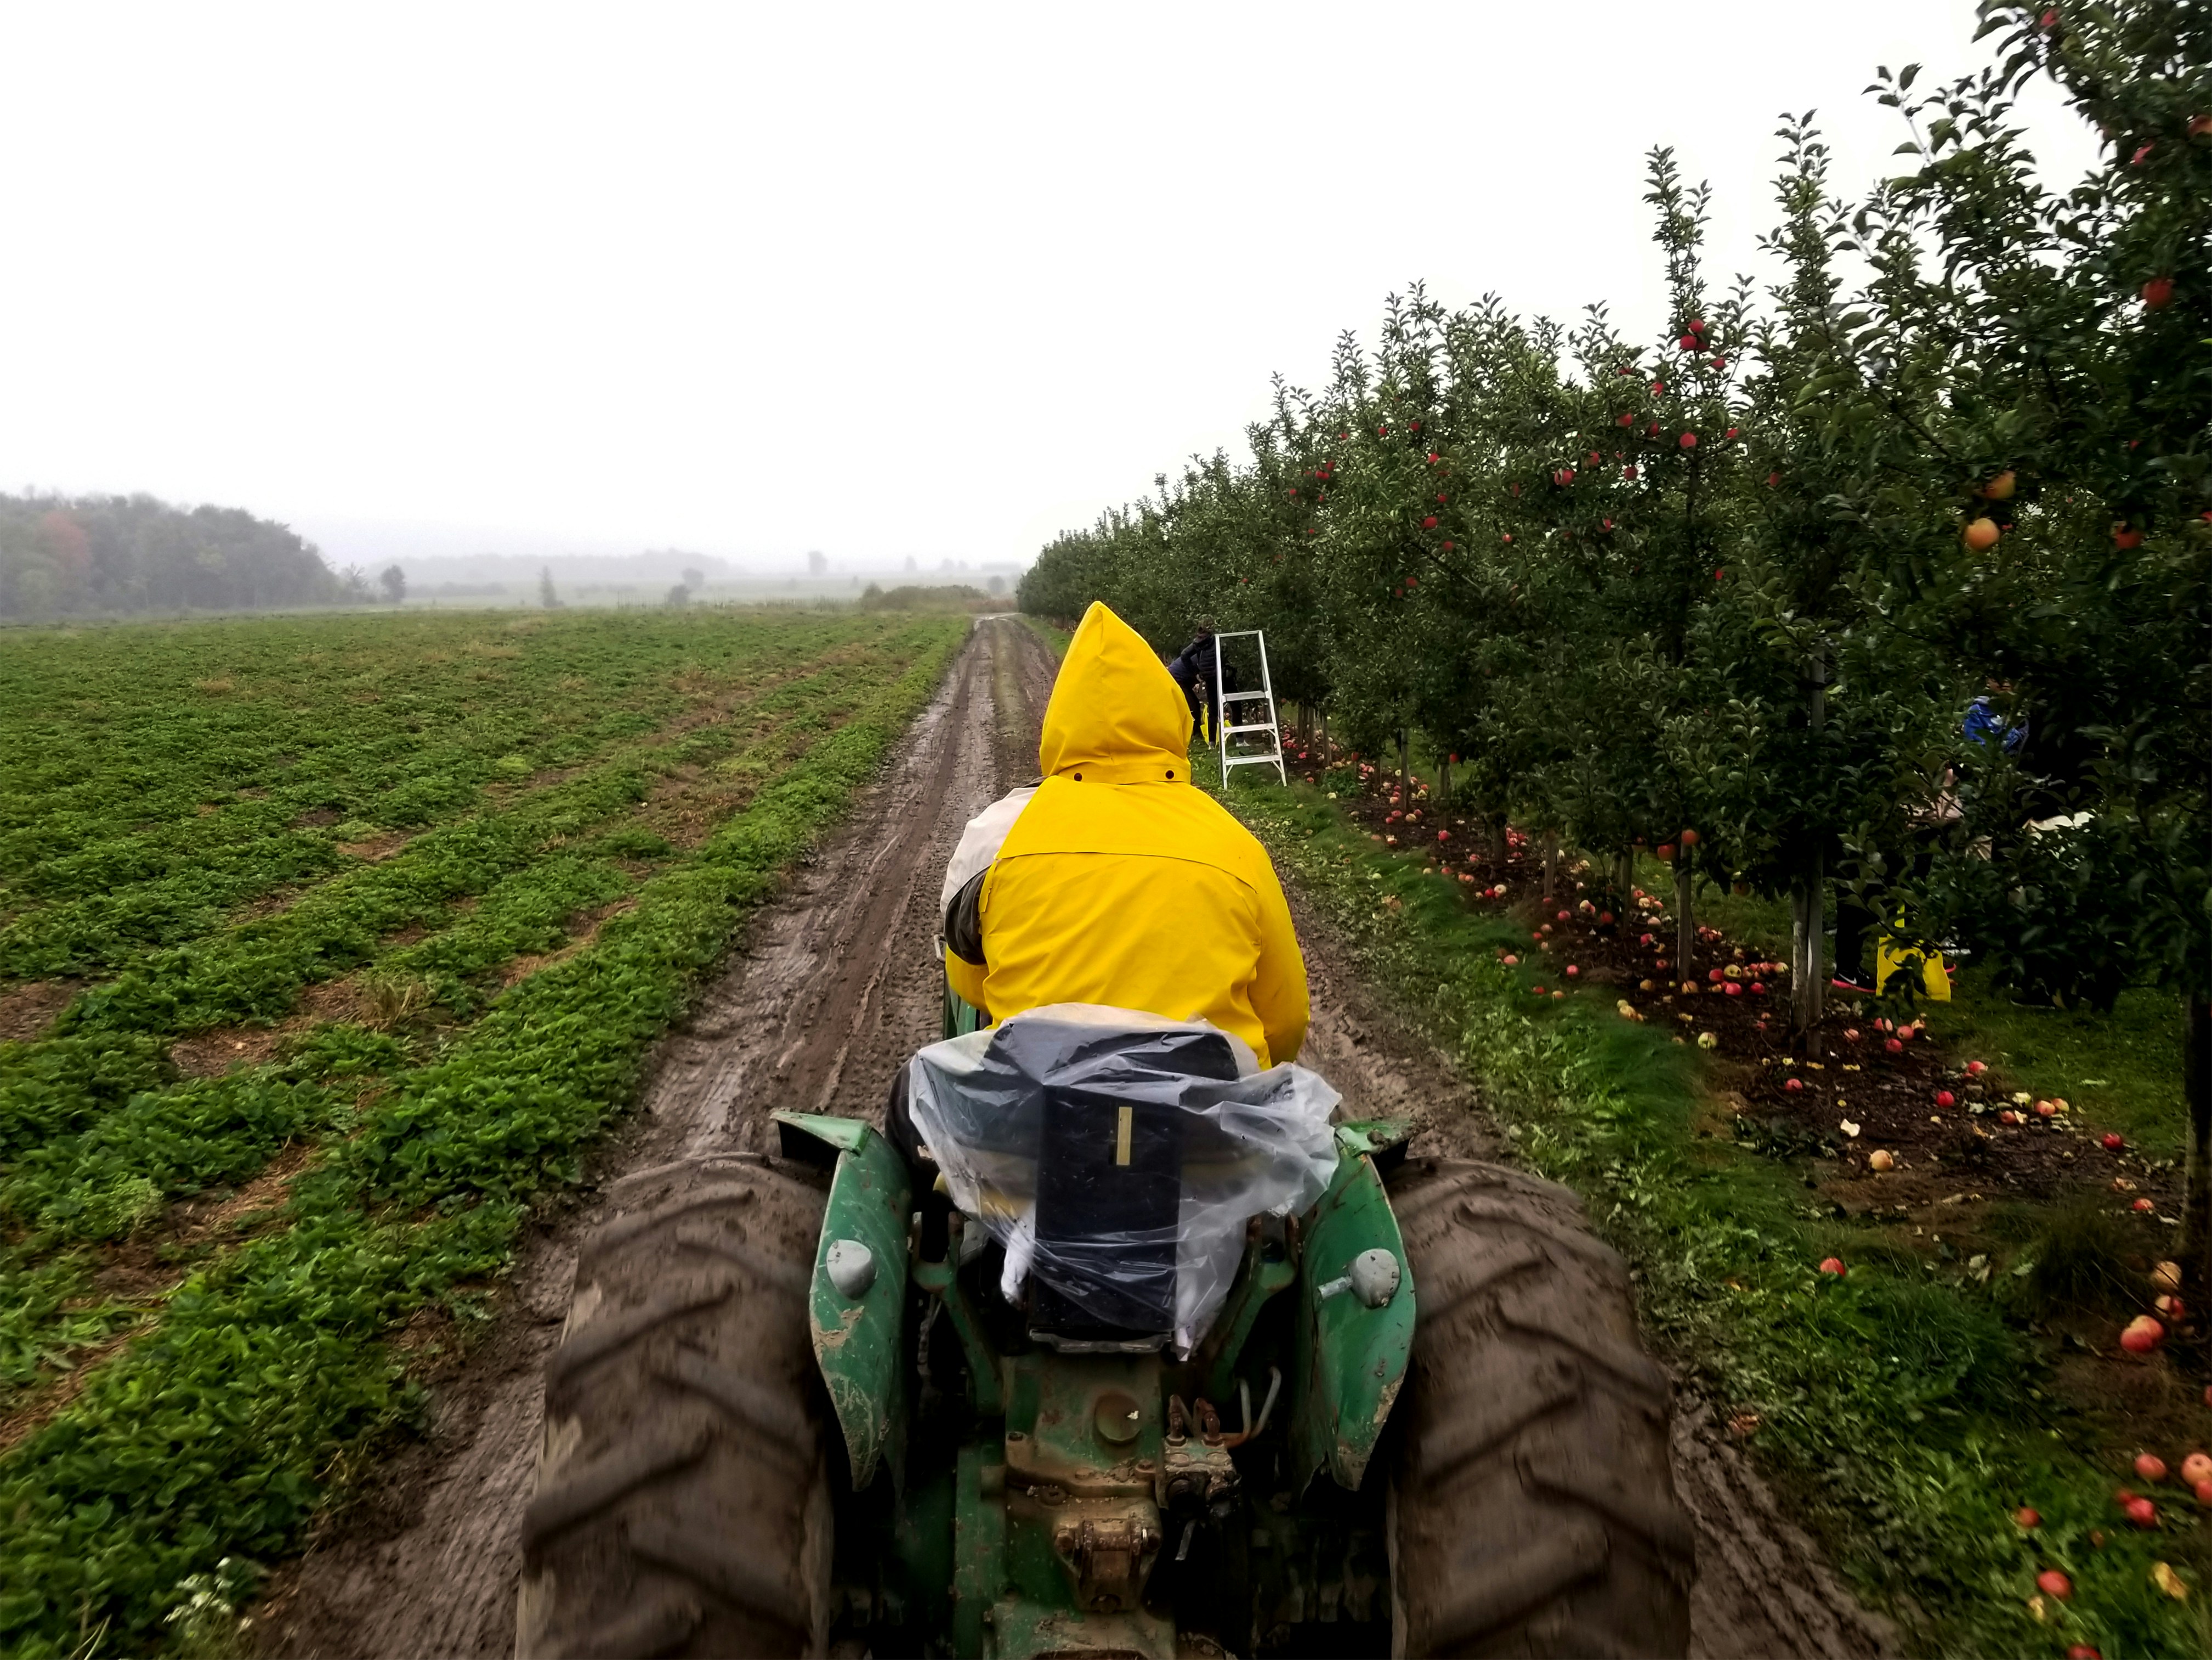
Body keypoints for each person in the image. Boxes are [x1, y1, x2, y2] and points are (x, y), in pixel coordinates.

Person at [889, 602, 1309, 1163]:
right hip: (1202, 1150)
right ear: (1170, 713)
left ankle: (943, 1219)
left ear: (1061, 718)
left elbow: (970, 985)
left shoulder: (1002, 836)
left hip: (1038, 1138)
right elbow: (1285, 1021)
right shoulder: (1234, 844)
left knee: (908, 1093)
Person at [1162, 625, 1217, 737]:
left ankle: (1194, 731)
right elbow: (1186, 659)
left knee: (1193, 704)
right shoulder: (1201, 658)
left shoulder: (1204, 655)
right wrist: (1195, 673)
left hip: (1182, 678)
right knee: (1193, 704)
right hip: (1175, 678)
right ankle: (1195, 733)